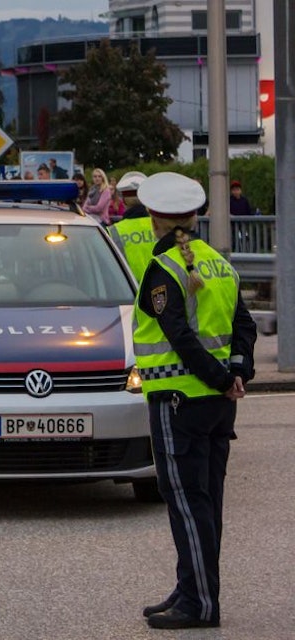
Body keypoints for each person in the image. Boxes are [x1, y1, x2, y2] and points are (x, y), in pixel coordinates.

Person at [133, 171, 256, 630]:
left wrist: (221, 377)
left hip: (178, 400)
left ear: (153, 218)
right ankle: (192, 587)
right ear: (195, 217)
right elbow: (244, 328)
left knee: (186, 500)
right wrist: (238, 372)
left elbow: (180, 337)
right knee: (206, 501)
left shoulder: (162, 268)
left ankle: (200, 602)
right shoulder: (219, 263)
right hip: (218, 404)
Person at [108, 172, 154, 278]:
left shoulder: (112, 232)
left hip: (127, 292)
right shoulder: (162, 227)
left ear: (123, 200)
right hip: (161, 292)